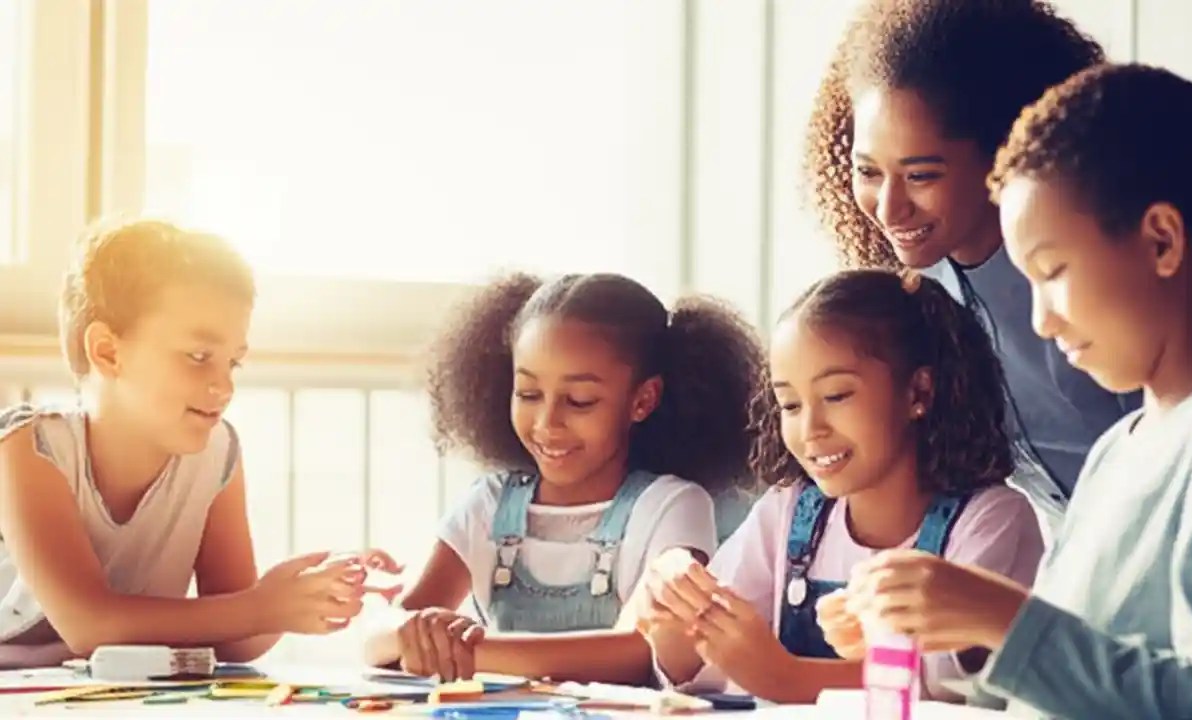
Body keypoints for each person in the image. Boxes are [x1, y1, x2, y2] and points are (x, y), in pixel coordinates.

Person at [825, 63, 1192, 719]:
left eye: (1052, 271)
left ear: (1161, 241)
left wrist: (1006, 621)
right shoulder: (1117, 451)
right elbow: (1079, 673)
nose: (1041, 319)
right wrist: (957, 627)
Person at [804, 0, 1138, 536]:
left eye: (921, 176)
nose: (889, 209)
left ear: (1007, 153)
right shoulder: (907, 295)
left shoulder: (1093, 275)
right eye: (868, 172)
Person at [636, 270, 1042, 703]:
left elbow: (943, 692)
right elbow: (704, 670)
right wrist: (673, 622)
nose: (810, 429)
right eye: (790, 404)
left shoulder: (991, 519)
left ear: (917, 392)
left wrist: (785, 677)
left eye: (836, 396)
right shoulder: (786, 512)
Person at [0, 219, 391, 668]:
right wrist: (261, 606)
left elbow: (232, 637)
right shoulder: (29, 450)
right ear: (108, 352)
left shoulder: (216, 453)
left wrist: (299, 594)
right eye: (199, 357)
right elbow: (89, 624)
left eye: (233, 363)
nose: (224, 387)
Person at [364, 272, 765, 684]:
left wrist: (467, 651)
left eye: (579, 401)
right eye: (528, 394)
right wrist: (406, 633)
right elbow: (377, 639)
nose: (547, 423)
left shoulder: (673, 505)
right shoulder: (488, 504)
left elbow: (640, 653)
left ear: (643, 400)